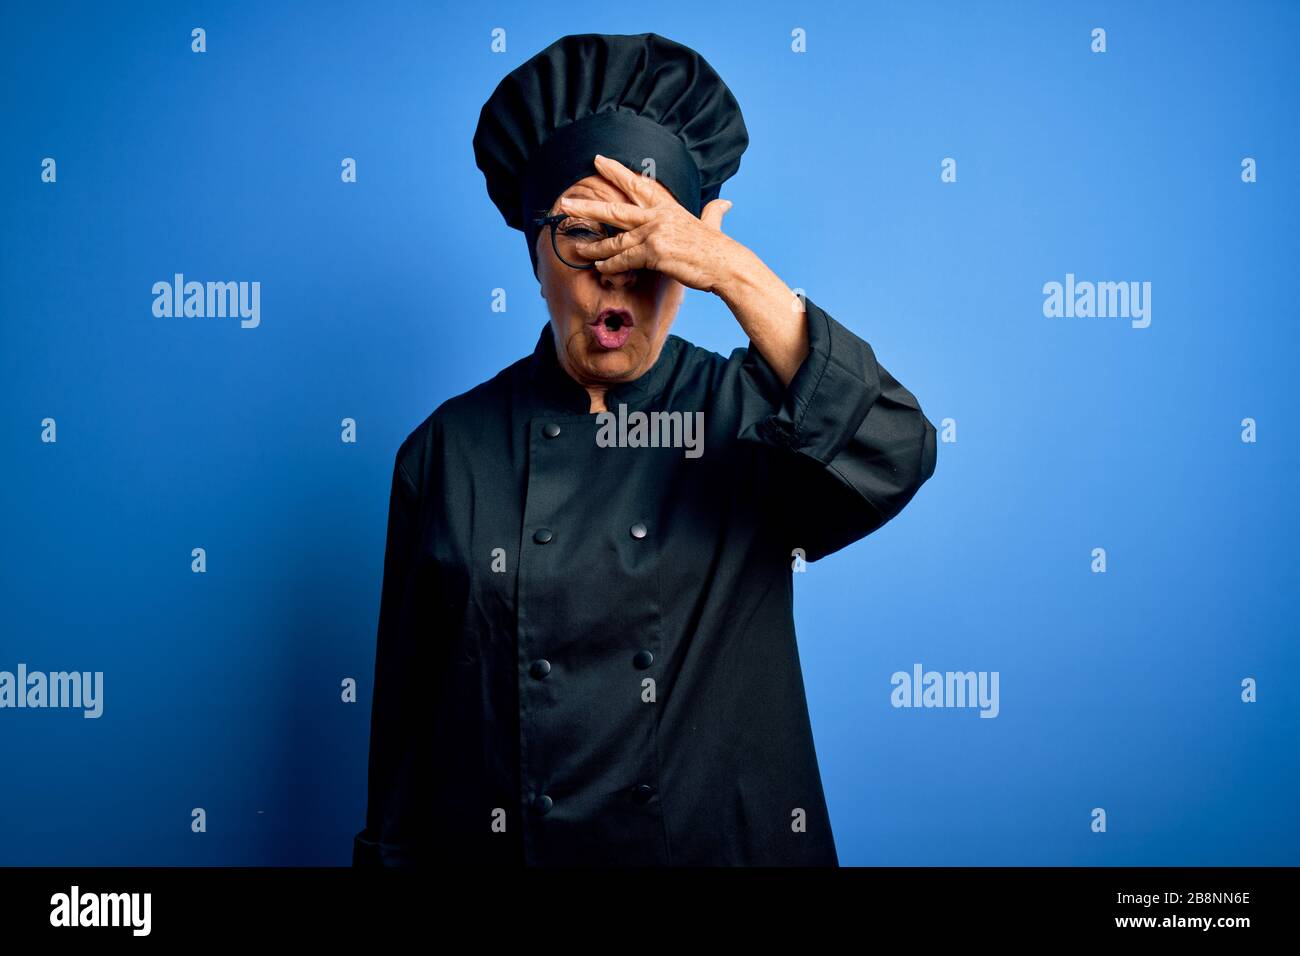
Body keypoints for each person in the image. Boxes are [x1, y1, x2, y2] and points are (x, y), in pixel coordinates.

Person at [353, 32, 937, 867]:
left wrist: (733, 270)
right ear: (533, 253)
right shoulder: (446, 452)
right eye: (586, 237)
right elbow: (406, 744)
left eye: (649, 247)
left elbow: (897, 448)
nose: (616, 276)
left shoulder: (752, 416)